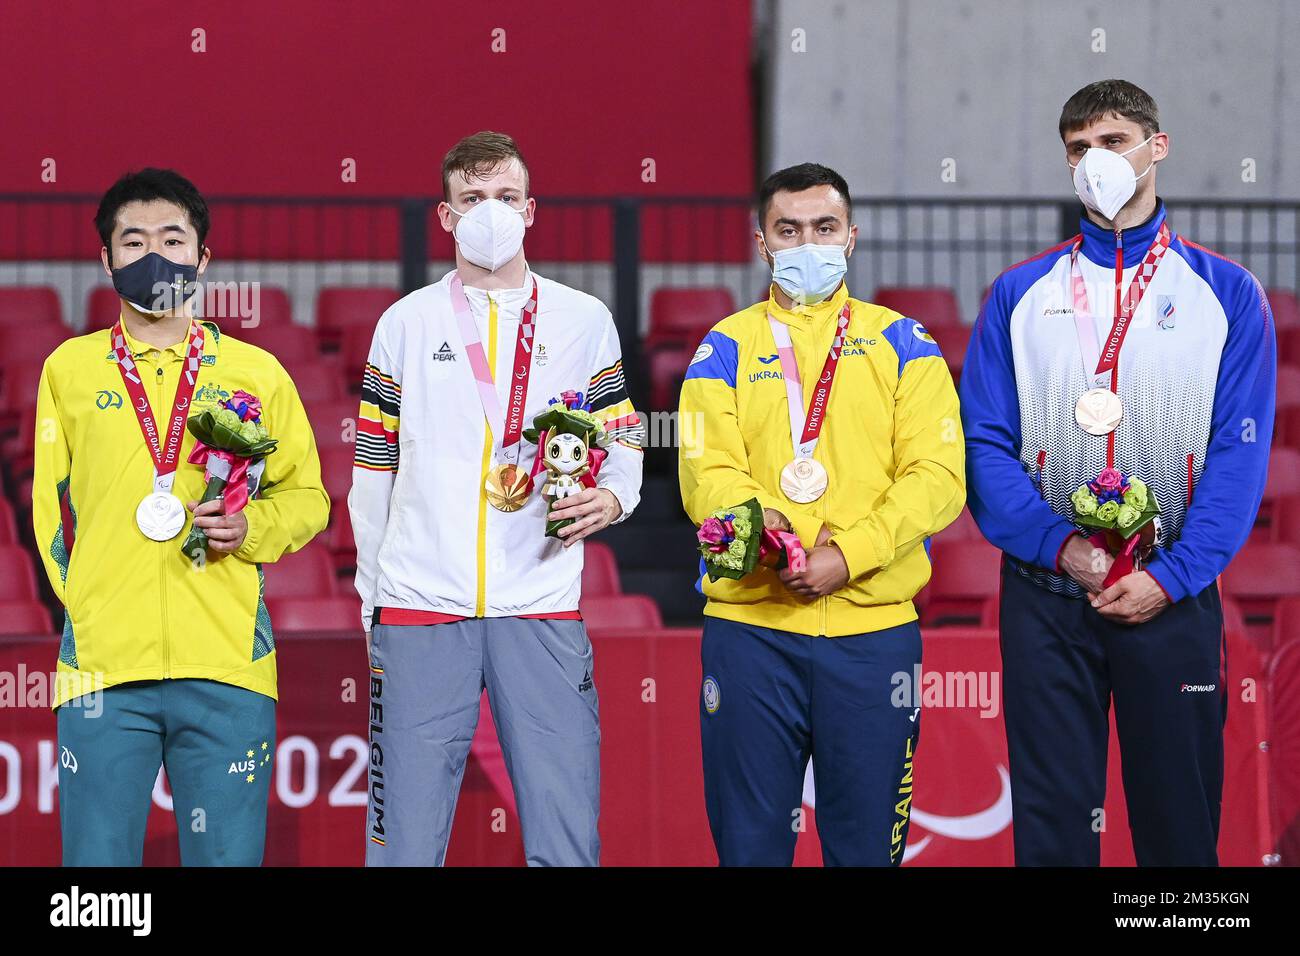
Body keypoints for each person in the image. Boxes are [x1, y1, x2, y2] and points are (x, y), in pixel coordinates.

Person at [960, 79, 1277, 866]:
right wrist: (1057, 545)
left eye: (1111, 143)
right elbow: (984, 444)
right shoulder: (1017, 295)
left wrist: (1172, 577)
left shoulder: (1228, 295)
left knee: (1178, 826)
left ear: (1156, 147)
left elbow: (1239, 454)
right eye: (1077, 149)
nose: (1093, 162)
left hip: (1169, 598)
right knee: (1053, 827)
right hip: (1046, 599)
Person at [351, 131, 644, 867]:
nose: (491, 213)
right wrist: (372, 600)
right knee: (403, 847)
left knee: (566, 837)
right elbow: (373, 472)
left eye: (506, 198)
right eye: (473, 199)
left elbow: (624, 435)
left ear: (531, 209)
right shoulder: (405, 324)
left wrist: (614, 499)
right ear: (445, 217)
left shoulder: (583, 319)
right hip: (420, 602)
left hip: (540, 599)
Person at [34, 168, 330, 866]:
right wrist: (87, 607)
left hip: (227, 666)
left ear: (202, 259)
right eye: (132, 242)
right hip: (103, 674)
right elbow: (48, 511)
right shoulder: (68, 371)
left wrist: (250, 530)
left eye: (173, 239)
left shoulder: (257, 373)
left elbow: (309, 498)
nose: (154, 257)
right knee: (96, 885)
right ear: (106, 260)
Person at [677, 163, 966, 866]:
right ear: (762, 242)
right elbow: (705, 471)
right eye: (789, 229)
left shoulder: (907, 344)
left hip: (873, 637)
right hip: (752, 629)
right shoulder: (723, 346)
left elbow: (938, 477)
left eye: (824, 228)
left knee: (868, 852)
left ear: (852, 236)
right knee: (750, 849)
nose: (808, 243)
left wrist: (852, 553)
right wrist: (772, 536)